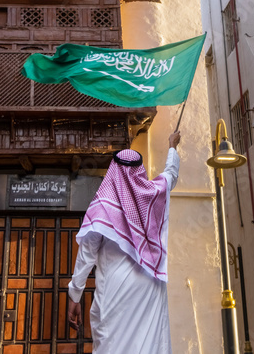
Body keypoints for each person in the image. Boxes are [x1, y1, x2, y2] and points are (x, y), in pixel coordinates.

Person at [66, 131, 181, 353]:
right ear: (140, 171)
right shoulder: (152, 196)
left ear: (113, 172)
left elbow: (86, 255)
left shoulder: (101, 207)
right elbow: (171, 174)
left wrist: (75, 295)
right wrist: (172, 146)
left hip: (114, 291)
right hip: (148, 286)